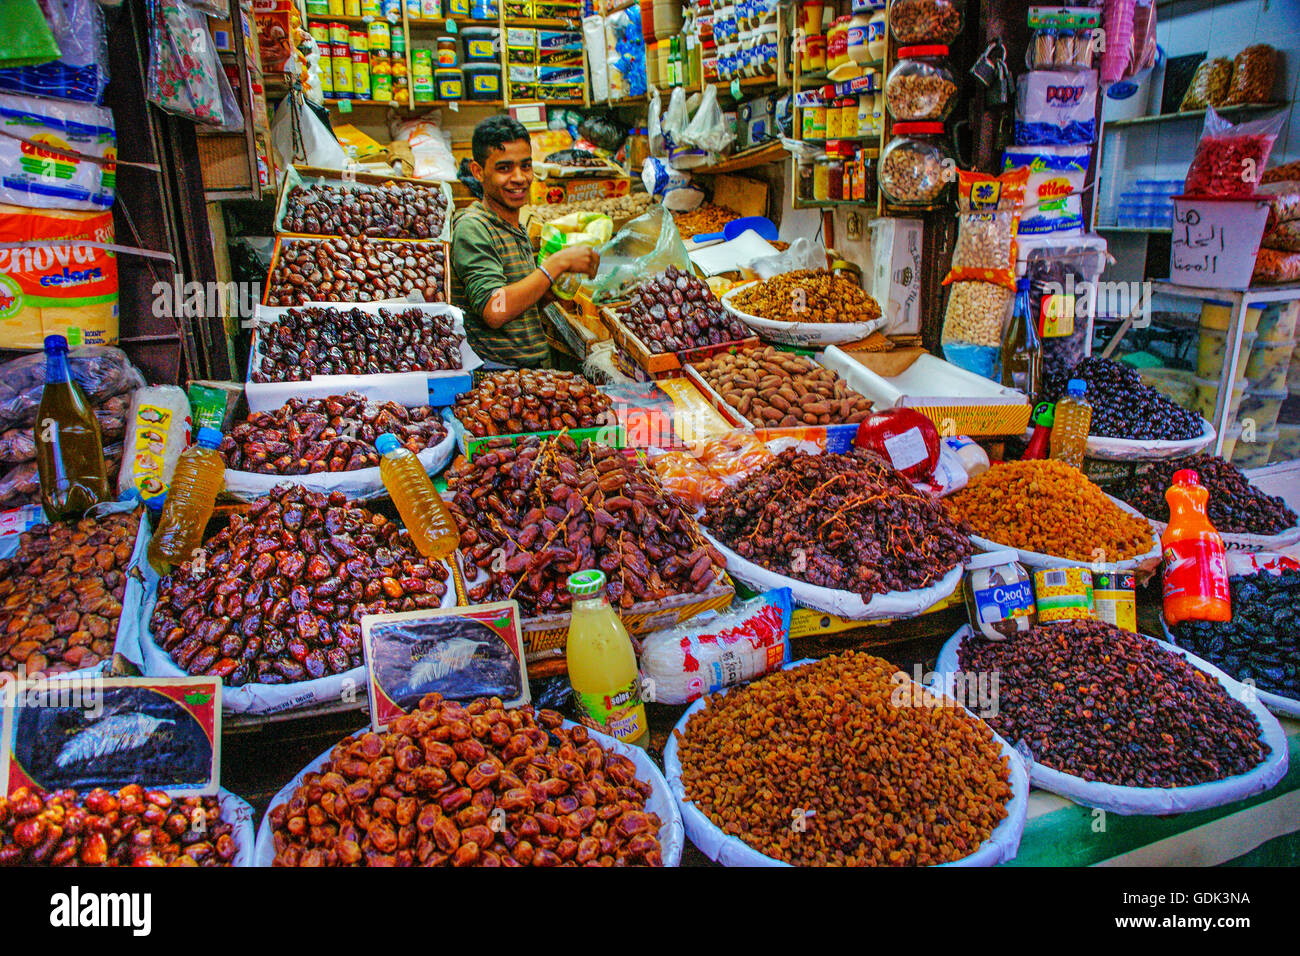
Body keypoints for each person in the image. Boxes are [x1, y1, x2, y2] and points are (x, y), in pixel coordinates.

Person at [450, 115, 599, 368]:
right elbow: (494, 309)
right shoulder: (473, 227)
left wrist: (561, 285)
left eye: (526, 166)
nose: (519, 177)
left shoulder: (514, 226)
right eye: (504, 168)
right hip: (499, 379)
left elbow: (524, 301)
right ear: (478, 172)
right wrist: (555, 265)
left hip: (531, 373)